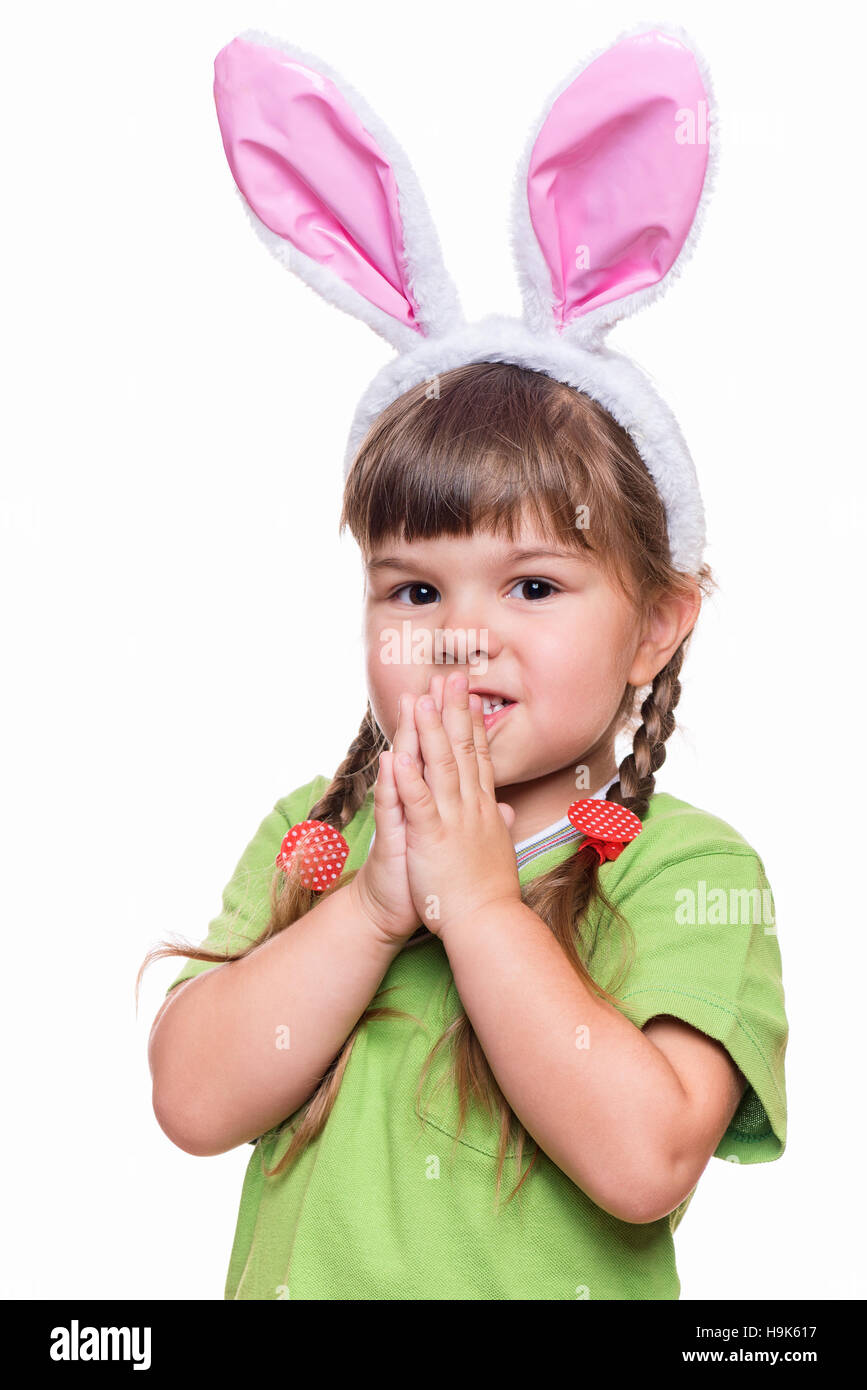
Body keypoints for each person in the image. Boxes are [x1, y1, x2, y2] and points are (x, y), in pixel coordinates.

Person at [140, 24, 788, 1300]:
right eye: (415, 588)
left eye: (535, 586)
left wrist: (482, 907)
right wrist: (378, 907)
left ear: (656, 624)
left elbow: (649, 1156)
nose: (462, 631)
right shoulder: (314, 835)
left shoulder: (684, 869)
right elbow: (192, 1101)